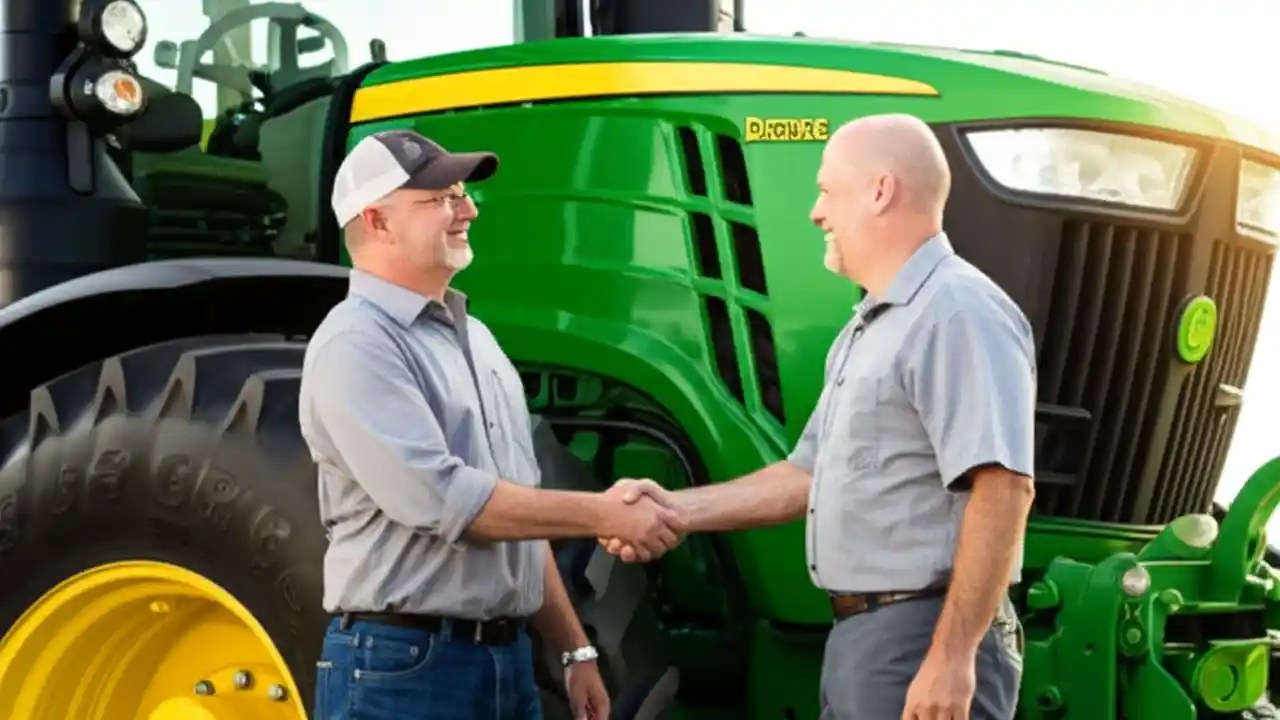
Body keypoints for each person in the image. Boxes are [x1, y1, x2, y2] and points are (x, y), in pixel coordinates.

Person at [600, 113, 1037, 720]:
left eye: (828, 190)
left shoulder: (957, 310)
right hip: (867, 640)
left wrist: (952, 656)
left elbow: (1004, 487)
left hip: (919, 639)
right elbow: (806, 475)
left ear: (881, 191)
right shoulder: (870, 327)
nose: (816, 212)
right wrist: (672, 510)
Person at [298, 128, 685, 720]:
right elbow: (451, 501)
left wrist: (573, 648)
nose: (468, 209)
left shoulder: (474, 339)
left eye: (463, 194)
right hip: (402, 667)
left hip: (502, 664)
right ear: (376, 221)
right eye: (441, 199)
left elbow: (520, 512)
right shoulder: (357, 343)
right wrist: (604, 512)